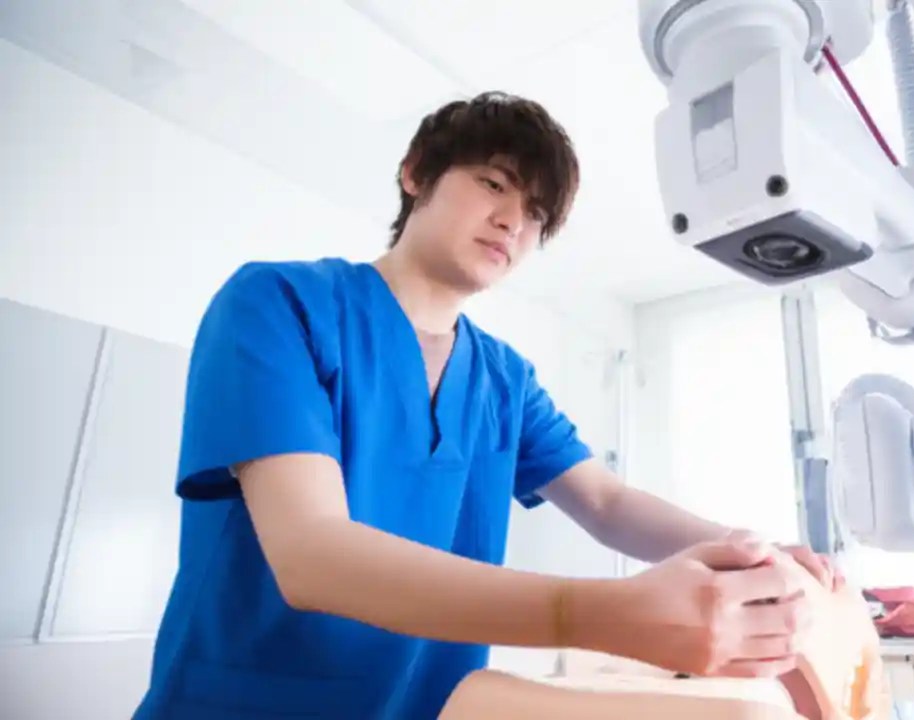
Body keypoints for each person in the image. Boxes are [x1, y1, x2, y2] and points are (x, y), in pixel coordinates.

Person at [134, 91, 845, 719]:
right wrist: (592, 614)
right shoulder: (280, 305)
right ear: (416, 174)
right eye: (494, 184)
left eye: (536, 215)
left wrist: (751, 551)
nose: (513, 221)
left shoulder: (503, 380)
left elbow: (605, 503)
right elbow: (313, 555)